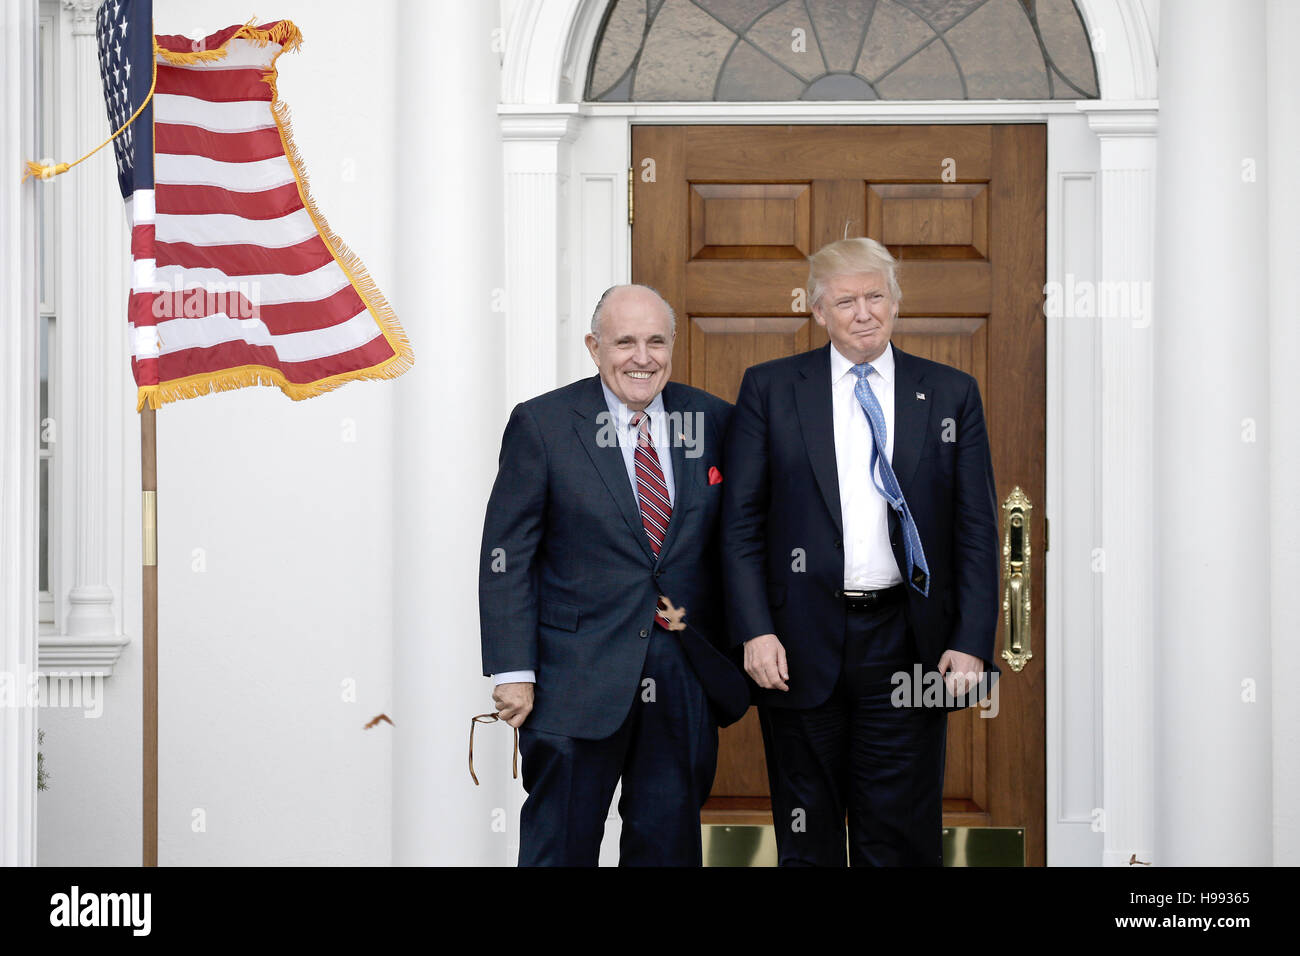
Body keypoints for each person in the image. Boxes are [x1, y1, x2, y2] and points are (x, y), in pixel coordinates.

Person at [721, 237, 1000, 866]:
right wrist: (755, 631)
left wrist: (972, 639)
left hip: (908, 640)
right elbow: (740, 525)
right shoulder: (769, 389)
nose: (864, 311)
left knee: (900, 834)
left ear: (897, 302)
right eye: (845, 300)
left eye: (876, 295)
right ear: (818, 311)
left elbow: (977, 527)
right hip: (796, 647)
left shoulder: (952, 392)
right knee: (807, 836)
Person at [479, 284, 740, 866]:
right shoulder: (543, 424)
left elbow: (741, 544)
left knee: (666, 848)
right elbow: (506, 556)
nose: (642, 357)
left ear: (673, 345)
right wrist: (512, 670)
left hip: (681, 677)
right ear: (595, 347)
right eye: (625, 342)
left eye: (655, 341)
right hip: (573, 679)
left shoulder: (716, 421)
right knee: (560, 849)